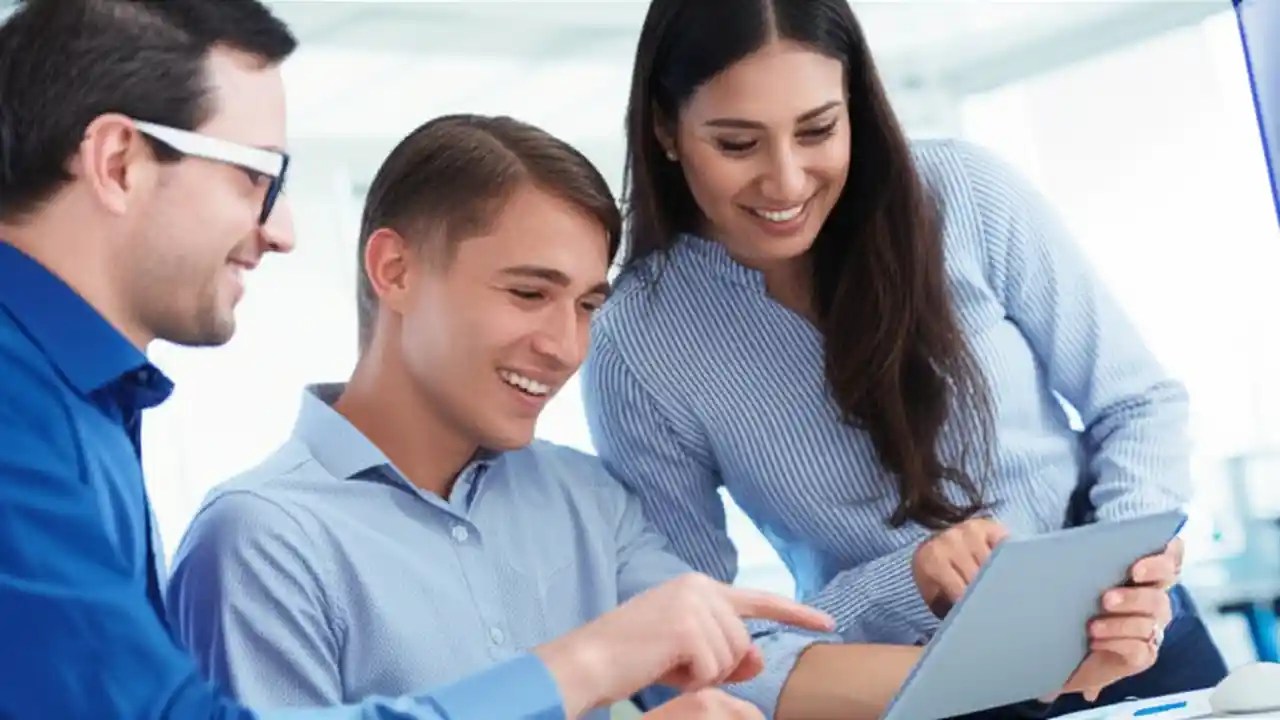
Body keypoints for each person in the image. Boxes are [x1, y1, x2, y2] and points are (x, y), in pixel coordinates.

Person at [165, 113, 1167, 720]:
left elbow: (759, 667)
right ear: (394, 270)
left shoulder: (583, 499)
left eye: (585, 305)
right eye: (527, 293)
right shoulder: (261, 541)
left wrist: (1043, 660)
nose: (564, 345)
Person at [0, 2, 836, 719]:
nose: (283, 231)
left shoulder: (90, 408)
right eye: (256, 178)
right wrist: (589, 662)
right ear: (117, 162)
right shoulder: (235, 523)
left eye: (587, 304)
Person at [579, 0, 1229, 716]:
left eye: (818, 130)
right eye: (737, 144)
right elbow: (689, 635)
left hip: (1128, 645)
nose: (787, 181)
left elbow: (1137, 403)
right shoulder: (638, 343)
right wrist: (904, 582)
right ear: (665, 129)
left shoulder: (963, 195)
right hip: (901, 692)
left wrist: (1124, 576)